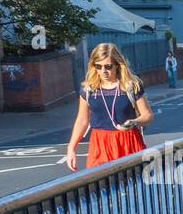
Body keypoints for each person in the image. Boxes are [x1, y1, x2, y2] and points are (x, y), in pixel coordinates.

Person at [65, 43, 154, 172]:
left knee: (131, 185)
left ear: (117, 65)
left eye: (108, 66)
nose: (103, 71)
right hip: (100, 144)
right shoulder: (88, 89)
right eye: (98, 66)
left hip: (128, 141)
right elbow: (82, 120)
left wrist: (134, 122)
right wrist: (71, 148)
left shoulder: (131, 86)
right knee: (100, 185)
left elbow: (148, 115)